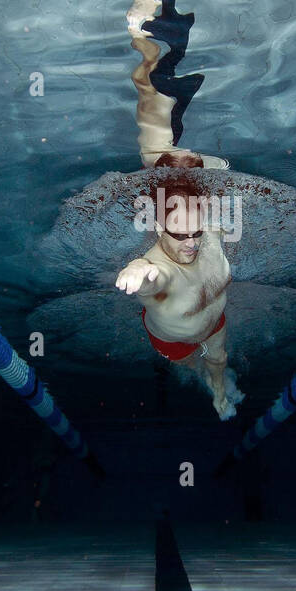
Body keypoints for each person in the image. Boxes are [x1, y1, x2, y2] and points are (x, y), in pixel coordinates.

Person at [115, 176, 242, 420]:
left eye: (196, 232)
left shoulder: (209, 234)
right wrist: (137, 268)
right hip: (173, 340)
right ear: (160, 230)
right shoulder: (158, 270)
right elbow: (151, 275)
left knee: (218, 360)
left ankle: (218, 391)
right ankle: (200, 373)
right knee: (193, 364)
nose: (192, 244)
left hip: (215, 325)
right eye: (181, 236)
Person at [127, 0, 230, 171]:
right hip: (161, 103)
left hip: (157, 93)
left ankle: (134, 24)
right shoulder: (153, 159)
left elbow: (221, 165)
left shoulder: (153, 151)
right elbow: (219, 164)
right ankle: (158, 21)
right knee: (171, 56)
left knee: (153, 57)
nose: (189, 150)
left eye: (188, 153)